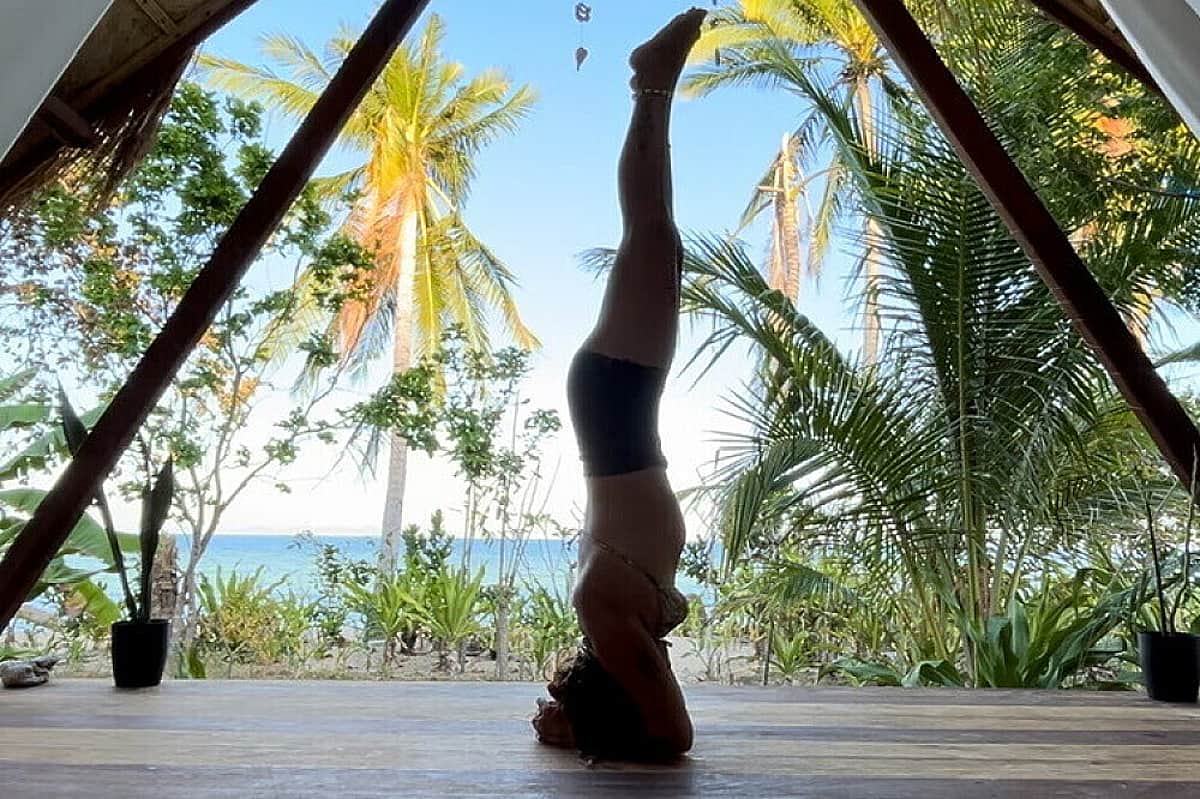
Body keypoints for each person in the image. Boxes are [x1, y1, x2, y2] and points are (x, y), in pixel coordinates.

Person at [531, 8, 706, 762]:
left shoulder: (604, 617)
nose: (550, 693)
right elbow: (670, 731)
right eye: (561, 697)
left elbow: (666, 732)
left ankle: (652, 85)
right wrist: (583, 729)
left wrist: (578, 730)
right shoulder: (610, 625)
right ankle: (653, 85)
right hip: (618, 411)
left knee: (652, 235)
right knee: (656, 240)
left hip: (617, 407)